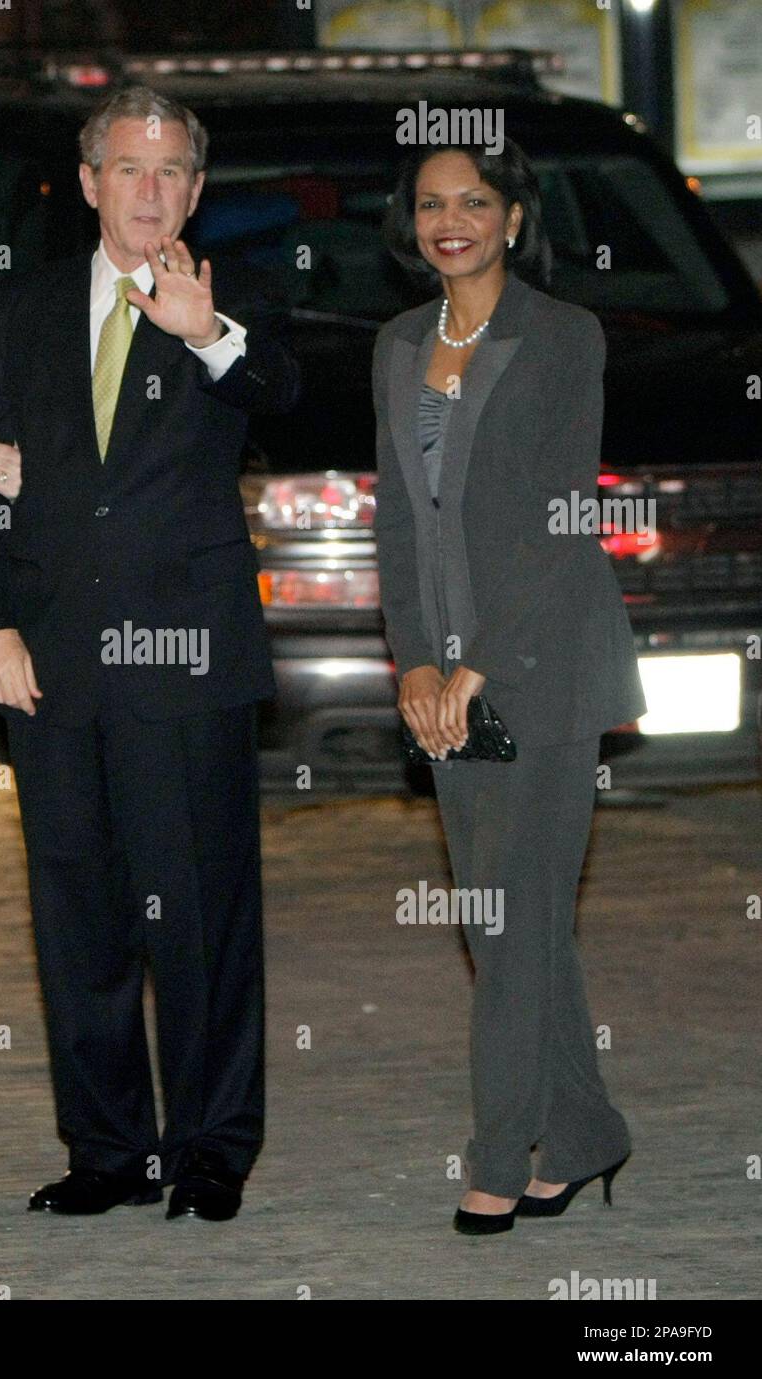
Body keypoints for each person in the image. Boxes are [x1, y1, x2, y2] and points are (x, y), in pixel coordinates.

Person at [0, 86, 299, 1221]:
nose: (152, 192)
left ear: (197, 190)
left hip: (185, 664)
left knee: (198, 913)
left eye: (173, 172)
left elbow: (287, 392)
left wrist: (207, 337)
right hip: (51, 665)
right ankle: (107, 1148)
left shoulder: (233, 302)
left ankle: (207, 1147)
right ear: (90, 181)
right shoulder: (20, 310)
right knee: (79, 911)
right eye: (130, 169)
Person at [373, 140, 646, 1234]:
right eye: (433, 204)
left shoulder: (563, 337)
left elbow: (562, 520)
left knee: (509, 913)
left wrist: (477, 661)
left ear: (515, 220)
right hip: (443, 685)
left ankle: (497, 1153)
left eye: (474, 202)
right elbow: (398, 519)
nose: (453, 221)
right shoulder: (395, 344)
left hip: (541, 669)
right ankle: (585, 1132)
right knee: (511, 923)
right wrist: (416, 663)